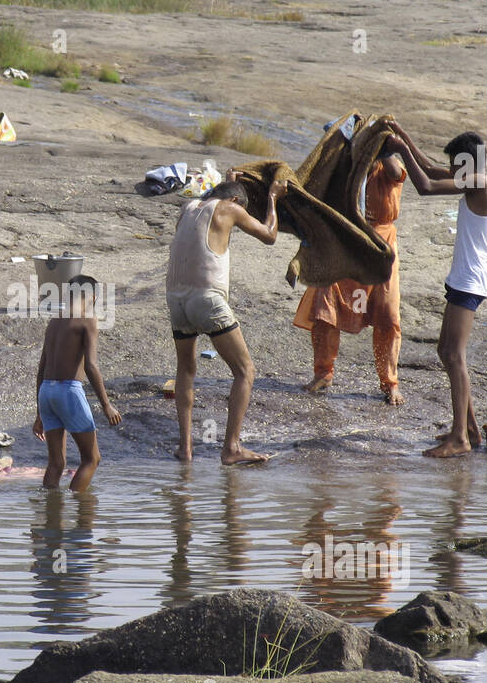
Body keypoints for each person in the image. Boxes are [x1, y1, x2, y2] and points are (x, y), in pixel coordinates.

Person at [382, 123, 487, 457]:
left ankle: (460, 440)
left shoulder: (483, 184)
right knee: (444, 351)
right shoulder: (473, 178)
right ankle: (470, 430)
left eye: (455, 165)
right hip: (461, 280)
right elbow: (434, 169)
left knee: (454, 355)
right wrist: (404, 136)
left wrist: (400, 151)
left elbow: (428, 184)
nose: (451, 171)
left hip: (471, 283)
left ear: (468, 165)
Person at [167, 175, 286, 464]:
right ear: (234, 202)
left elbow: (209, 207)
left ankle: (186, 449)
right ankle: (231, 448)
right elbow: (270, 235)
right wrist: (273, 197)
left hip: (175, 298)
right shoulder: (229, 208)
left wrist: (227, 182)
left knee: (186, 369)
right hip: (205, 298)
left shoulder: (188, 206)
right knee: (245, 371)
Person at [294, 151, 408, 404]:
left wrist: (380, 145)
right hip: (347, 240)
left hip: (381, 245)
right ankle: (323, 372)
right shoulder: (347, 172)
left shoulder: (387, 169)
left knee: (387, 314)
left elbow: (397, 172)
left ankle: (390, 383)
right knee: (326, 306)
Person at [32, 275, 121, 491]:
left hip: (46, 391)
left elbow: (41, 369)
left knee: (56, 463)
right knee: (92, 459)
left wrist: (39, 413)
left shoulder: (54, 321)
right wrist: (106, 404)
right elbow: (91, 366)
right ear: (92, 297)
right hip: (68, 392)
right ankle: (81, 517)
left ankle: (50, 513)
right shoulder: (87, 319)